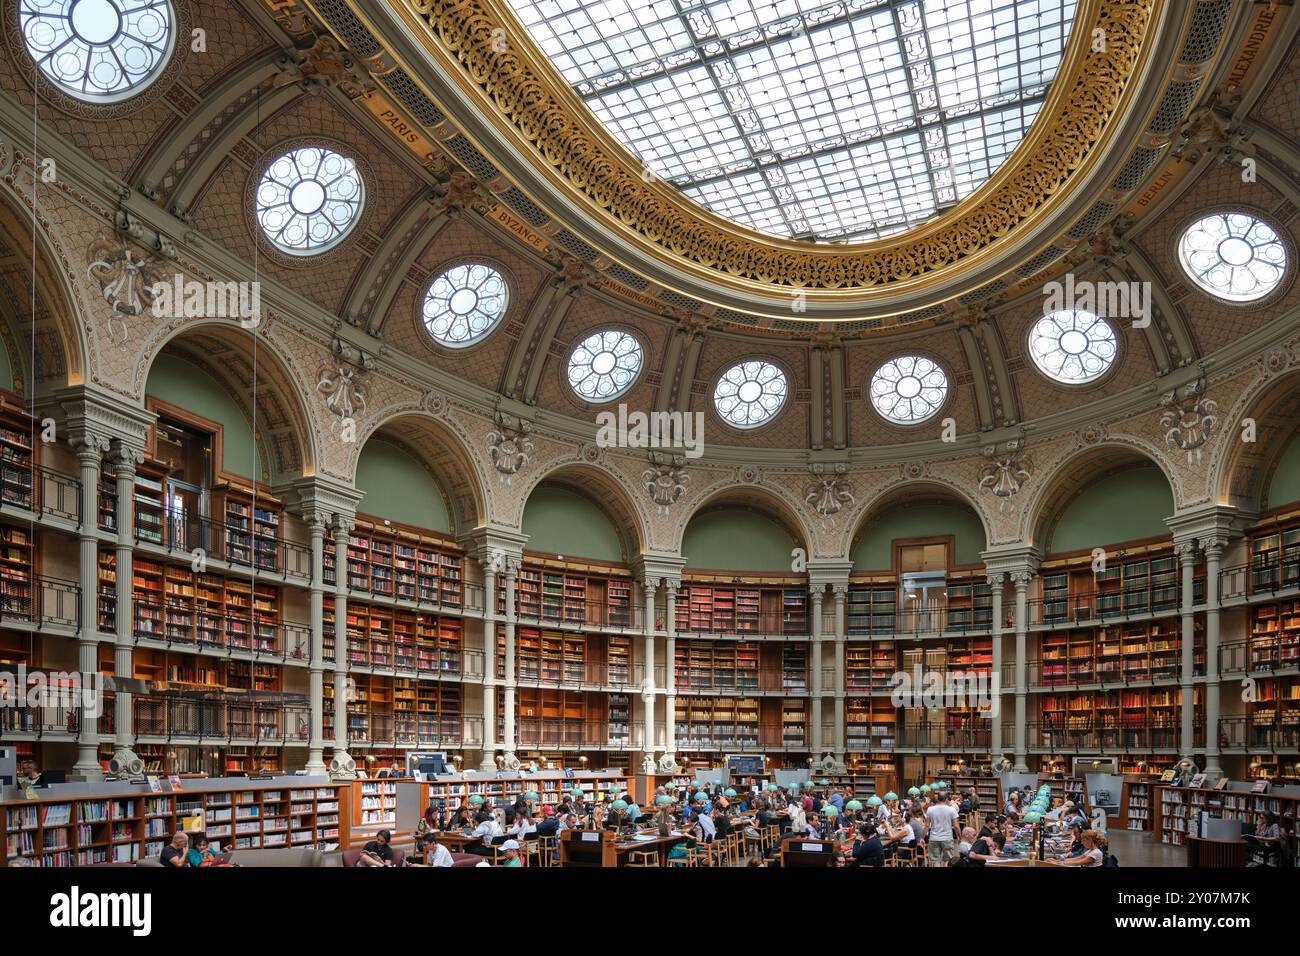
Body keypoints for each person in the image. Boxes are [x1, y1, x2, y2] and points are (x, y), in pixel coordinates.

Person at [924, 793, 960, 867]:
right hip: (947, 838)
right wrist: (959, 836)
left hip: (934, 838)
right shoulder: (951, 809)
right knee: (948, 860)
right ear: (946, 799)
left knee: (936, 861)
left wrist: (922, 837)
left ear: (938, 798)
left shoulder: (930, 809)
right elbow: (956, 826)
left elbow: (927, 825)